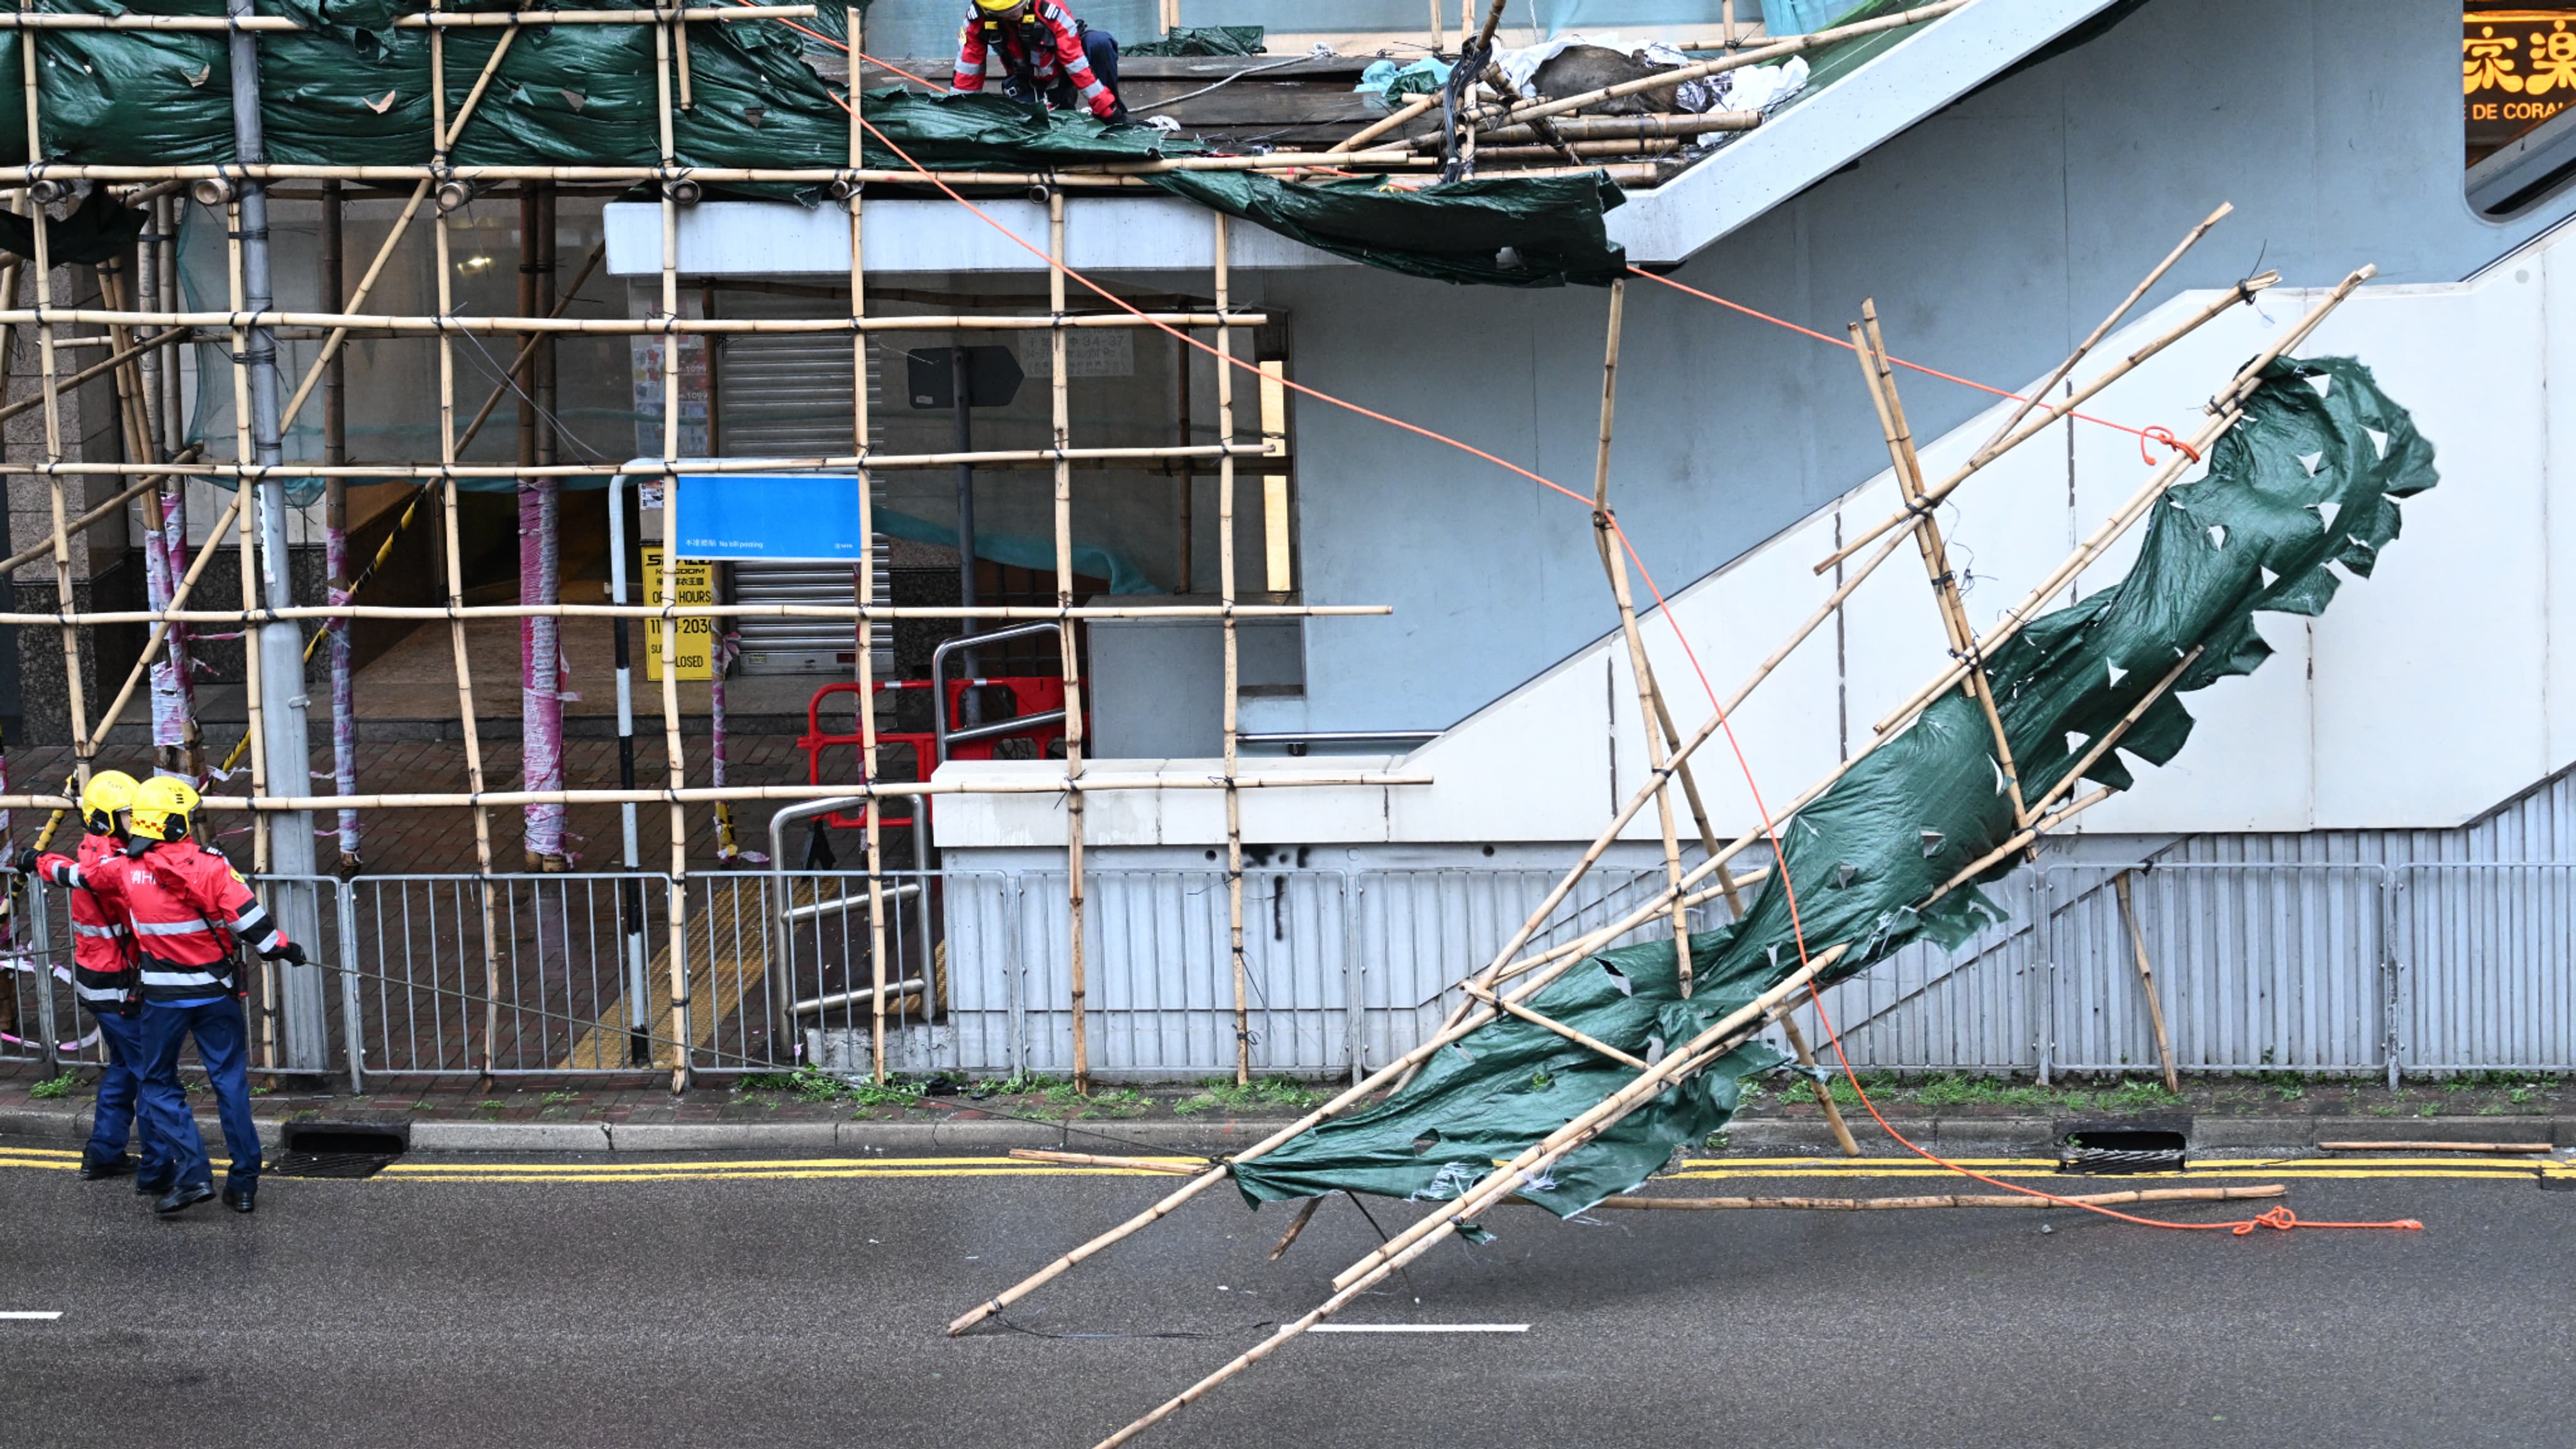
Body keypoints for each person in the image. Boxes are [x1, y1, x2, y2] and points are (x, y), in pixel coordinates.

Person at [116, 776, 306, 1216]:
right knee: (229, 1084)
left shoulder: (125, 869)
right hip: (216, 995)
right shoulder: (213, 866)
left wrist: (37, 861)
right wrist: (286, 949)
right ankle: (242, 1185)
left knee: (159, 1084)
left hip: (163, 1002)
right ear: (177, 824)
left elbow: (83, 877)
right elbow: (252, 925)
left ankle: (195, 1173)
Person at [14, 770, 158, 1188]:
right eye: (127, 815)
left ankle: (104, 1153)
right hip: (118, 985)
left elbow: (68, 869)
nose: (137, 822)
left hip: (101, 983)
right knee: (151, 1073)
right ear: (104, 820)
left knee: (125, 1069)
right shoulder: (116, 865)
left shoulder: (97, 851)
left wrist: (38, 861)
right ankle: (157, 1165)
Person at [953, 0, 1129, 125]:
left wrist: (1108, 110)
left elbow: (1076, 64)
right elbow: (967, 70)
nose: (1016, 14)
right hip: (1025, 80)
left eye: (1019, 6)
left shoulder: (1050, 9)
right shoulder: (976, 19)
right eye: (1007, 13)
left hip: (1063, 71)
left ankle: (1114, 116)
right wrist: (959, 115)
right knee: (1036, 131)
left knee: (1099, 43)